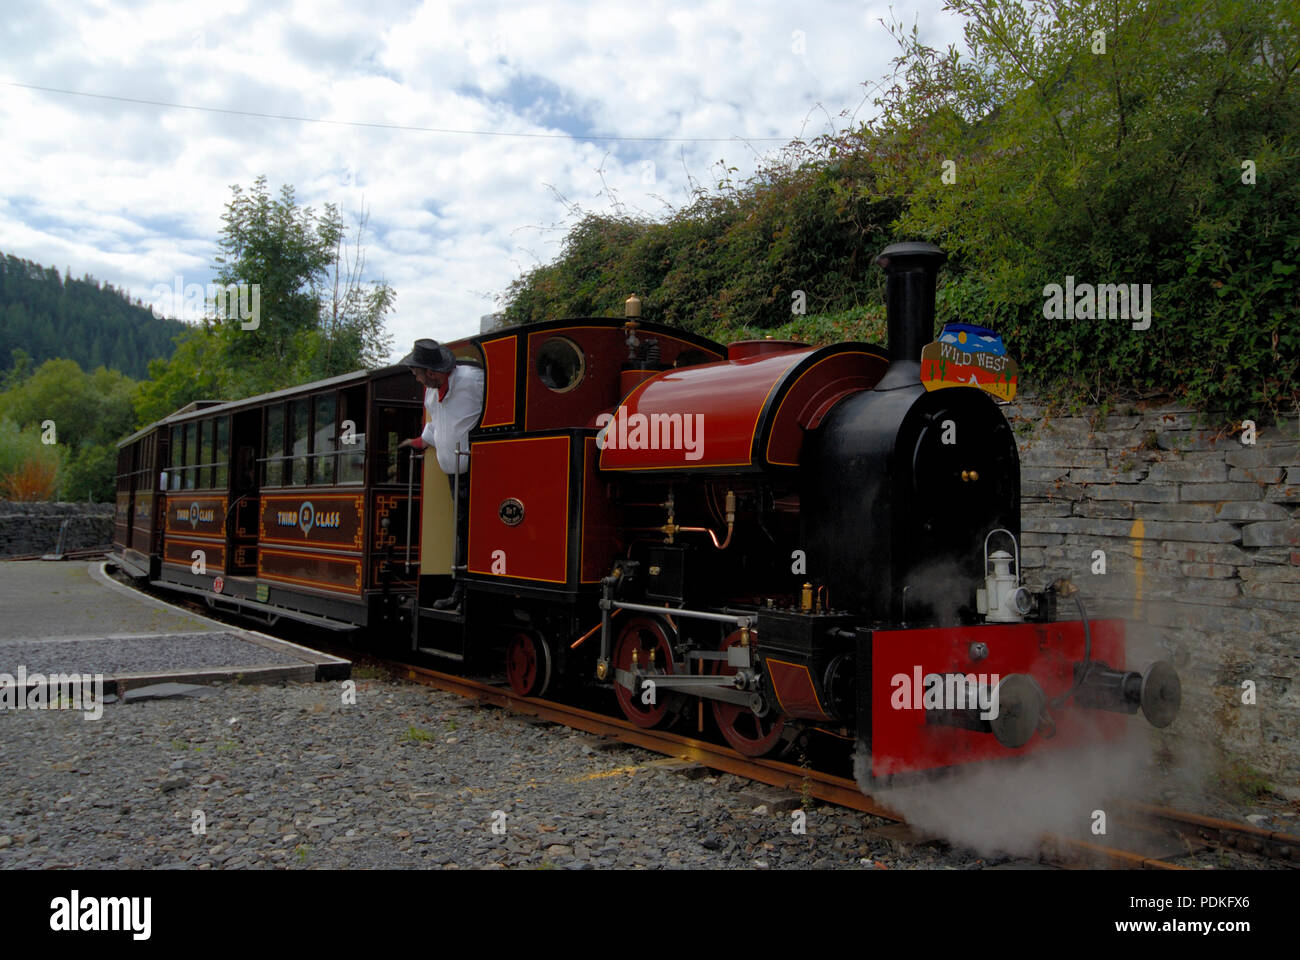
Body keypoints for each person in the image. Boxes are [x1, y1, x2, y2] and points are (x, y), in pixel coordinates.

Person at [396, 339, 485, 609]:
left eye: (418, 374)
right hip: (455, 475)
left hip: (481, 473)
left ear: (432, 373)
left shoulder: (474, 381)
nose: (417, 379)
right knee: (462, 532)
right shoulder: (432, 393)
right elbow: (437, 427)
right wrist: (418, 442)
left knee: (473, 534)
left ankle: (468, 594)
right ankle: (461, 592)